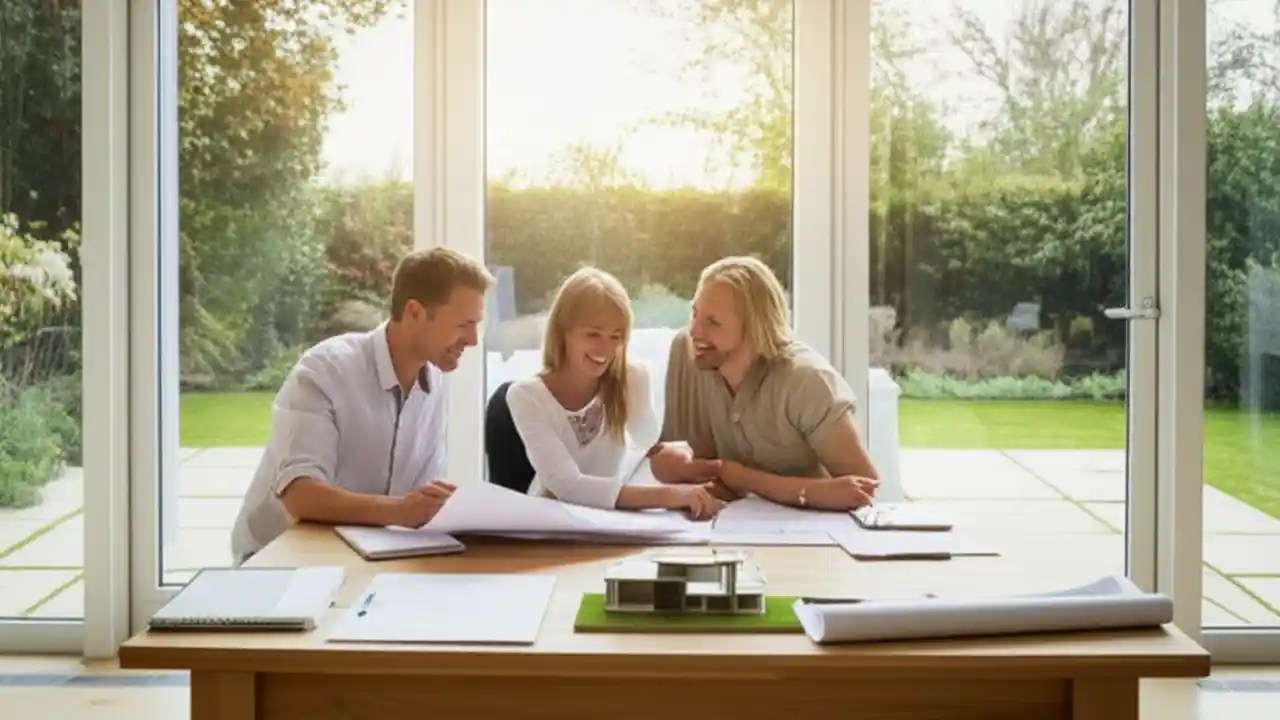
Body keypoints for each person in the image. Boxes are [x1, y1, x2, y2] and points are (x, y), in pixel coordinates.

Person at [230, 247, 494, 563]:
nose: (473, 340)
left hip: (362, 558)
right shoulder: (326, 369)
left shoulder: (433, 385)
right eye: (464, 325)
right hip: (278, 562)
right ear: (414, 313)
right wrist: (403, 510)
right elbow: (299, 495)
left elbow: (418, 499)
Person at [649, 256, 879, 510]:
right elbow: (701, 475)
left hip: (814, 538)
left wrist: (744, 478)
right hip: (728, 532)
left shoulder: (807, 381)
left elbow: (866, 493)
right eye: (694, 314)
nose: (695, 331)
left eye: (713, 322)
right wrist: (675, 466)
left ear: (756, 326)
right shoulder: (688, 353)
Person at [502, 267, 725, 520]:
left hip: (609, 520)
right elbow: (568, 486)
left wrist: (691, 464)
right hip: (552, 524)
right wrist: (675, 496)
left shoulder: (632, 379)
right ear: (563, 331)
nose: (604, 348)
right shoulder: (525, 396)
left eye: (615, 336)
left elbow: (650, 446)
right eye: (593, 334)